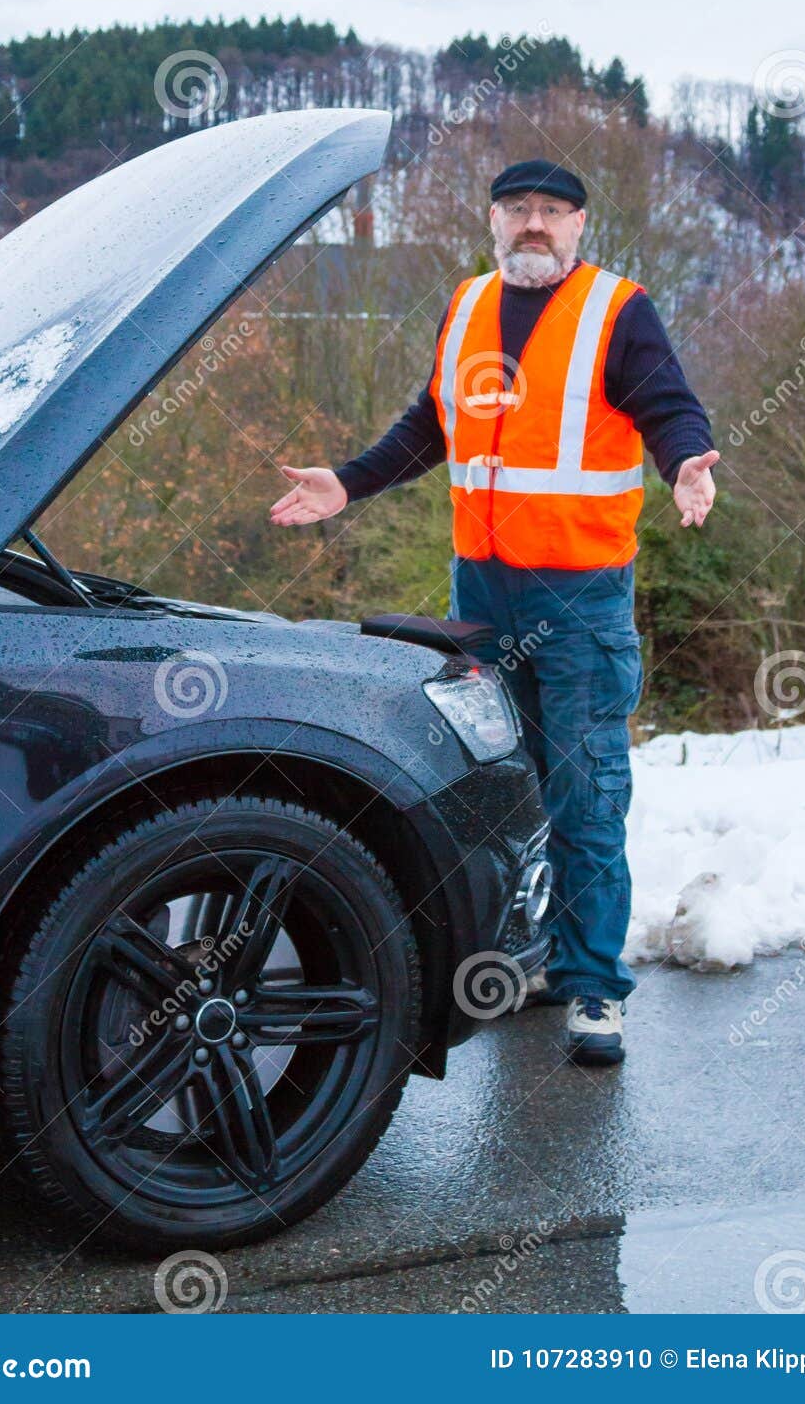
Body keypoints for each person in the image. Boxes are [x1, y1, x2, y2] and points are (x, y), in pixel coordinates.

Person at [269, 158, 717, 1065]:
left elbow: (668, 406)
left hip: (580, 592)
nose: (533, 225)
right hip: (481, 590)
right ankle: (533, 958)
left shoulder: (615, 311)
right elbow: (430, 427)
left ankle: (593, 990)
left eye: (552, 212)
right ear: (493, 220)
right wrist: (346, 484)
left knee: (585, 791)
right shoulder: (467, 306)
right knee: (499, 786)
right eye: (518, 210)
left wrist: (687, 462)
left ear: (579, 225)